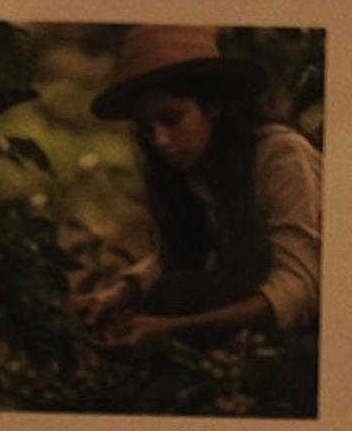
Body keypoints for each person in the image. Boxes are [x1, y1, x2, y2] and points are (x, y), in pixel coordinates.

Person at [85, 25, 323, 373]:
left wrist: (170, 329)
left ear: (212, 105)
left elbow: (297, 288)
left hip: (320, 336)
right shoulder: (197, 169)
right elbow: (177, 252)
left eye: (170, 119)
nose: (160, 141)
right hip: (253, 330)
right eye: (147, 128)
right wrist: (119, 293)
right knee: (173, 291)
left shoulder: (281, 158)